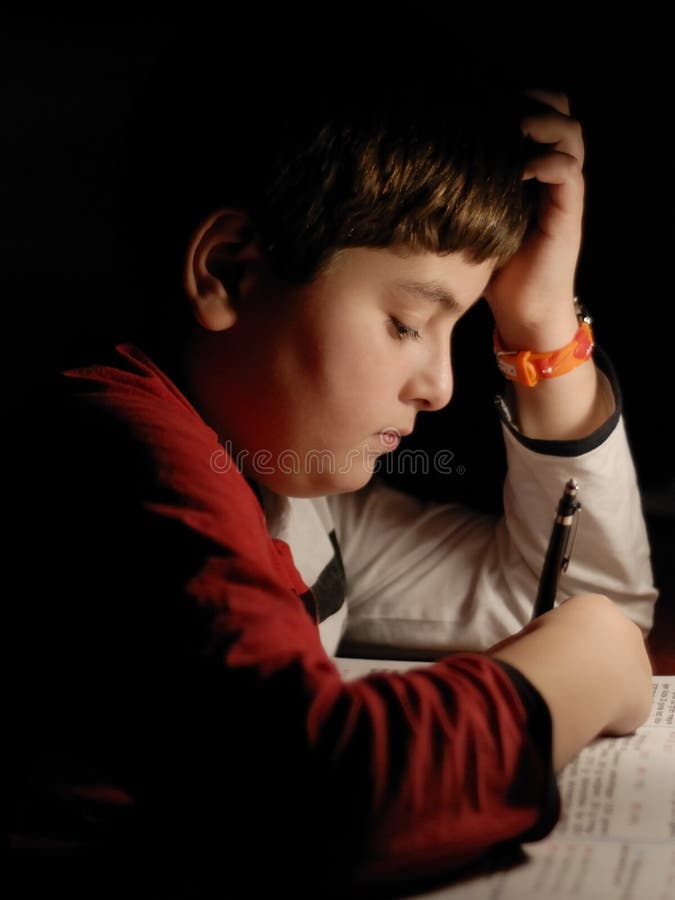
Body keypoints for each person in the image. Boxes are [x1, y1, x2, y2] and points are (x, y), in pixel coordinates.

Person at [7, 31, 656, 899]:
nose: (438, 386)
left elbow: (570, 594)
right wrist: (579, 655)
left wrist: (541, 331)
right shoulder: (121, 458)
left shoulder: (283, 486)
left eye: (459, 329)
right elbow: (331, 797)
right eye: (405, 321)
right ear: (230, 270)